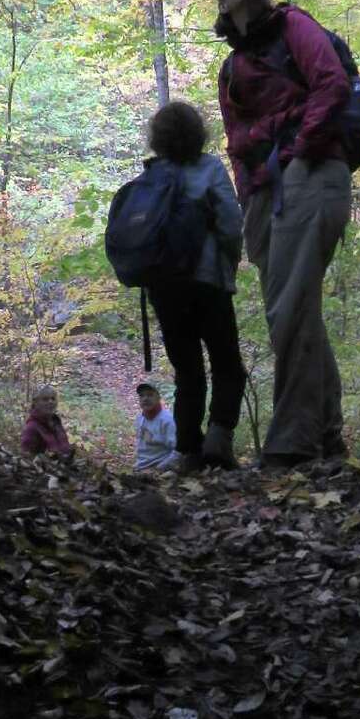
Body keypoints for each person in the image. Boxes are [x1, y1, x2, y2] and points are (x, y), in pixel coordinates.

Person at [215, 0, 352, 466]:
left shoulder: (295, 25)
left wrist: (296, 150)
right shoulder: (231, 69)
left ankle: (292, 443)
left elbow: (331, 84)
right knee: (293, 313)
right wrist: (250, 197)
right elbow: (234, 141)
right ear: (223, 4)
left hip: (310, 171)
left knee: (290, 307)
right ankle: (329, 433)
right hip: (262, 193)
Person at [140, 100, 246, 472]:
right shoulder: (210, 169)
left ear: (158, 139)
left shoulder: (150, 176)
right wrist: (229, 264)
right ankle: (219, 438)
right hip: (208, 282)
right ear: (199, 133)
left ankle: (188, 451)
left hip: (165, 287)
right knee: (227, 363)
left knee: (187, 370)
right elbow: (232, 225)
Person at [133, 382, 178, 471]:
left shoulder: (167, 421)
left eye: (150, 395)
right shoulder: (140, 418)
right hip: (140, 468)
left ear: (158, 398)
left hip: (159, 471)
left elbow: (177, 452)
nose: (145, 399)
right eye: (142, 396)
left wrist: (158, 470)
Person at [18, 384, 72, 457]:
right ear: (35, 402)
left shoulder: (56, 422)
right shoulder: (32, 427)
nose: (50, 402)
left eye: (53, 398)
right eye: (45, 399)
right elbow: (25, 458)